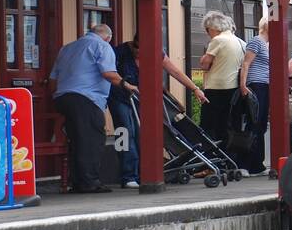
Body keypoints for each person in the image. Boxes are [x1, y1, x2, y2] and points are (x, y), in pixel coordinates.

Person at [111, 31, 208, 189]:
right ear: (133, 45)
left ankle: (143, 173)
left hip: (141, 99)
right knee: (124, 132)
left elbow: (175, 72)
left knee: (143, 134)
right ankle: (127, 175)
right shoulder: (119, 52)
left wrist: (195, 89)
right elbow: (110, 74)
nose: (139, 54)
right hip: (120, 98)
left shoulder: (157, 53)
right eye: (137, 50)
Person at [50, 24, 131, 194]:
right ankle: (90, 182)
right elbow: (108, 73)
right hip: (86, 98)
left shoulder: (67, 48)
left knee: (76, 141)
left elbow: (53, 78)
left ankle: (77, 182)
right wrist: (127, 85)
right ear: (108, 37)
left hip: (63, 98)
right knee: (92, 140)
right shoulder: (102, 46)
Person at [198, 11, 245, 159]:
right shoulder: (240, 42)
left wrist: (204, 59)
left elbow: (205, 64)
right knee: (227, 126)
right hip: (233, 89)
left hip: (216, 89)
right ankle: (228, 159)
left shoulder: (218, 40)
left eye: (207, 29)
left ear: (213, 28)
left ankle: (210, 160)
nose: (207, 33)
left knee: (208, 127)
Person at [239, 17, 272, 175]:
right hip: (257, 85)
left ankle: (257, 164)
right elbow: (246, 63)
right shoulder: (256, 41)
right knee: (255, 123)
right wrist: (243, 85)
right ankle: (246, 164)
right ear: (267, 26)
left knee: (261, 124)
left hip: (264, 85)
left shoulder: (267, 45)